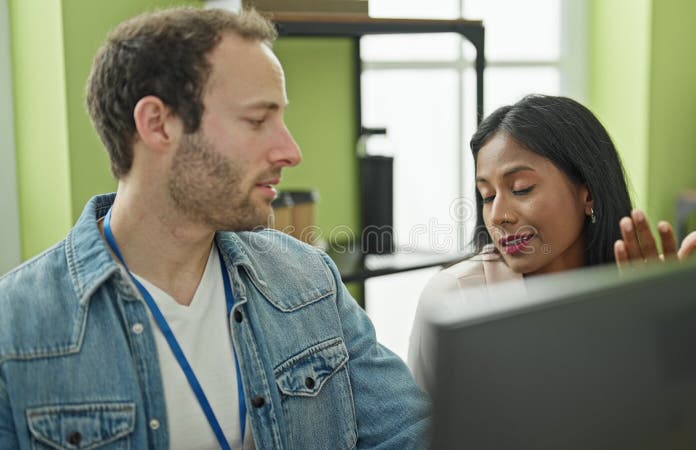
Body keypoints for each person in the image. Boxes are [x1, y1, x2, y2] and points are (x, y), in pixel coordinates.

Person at [0, 8, 429, 449]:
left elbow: (416, 435)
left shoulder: (310, 283)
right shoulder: (14, 328)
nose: (290, 150)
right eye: (257, 120)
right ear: (157, 124)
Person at [408, 94, 696, 392]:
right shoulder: (451, 298)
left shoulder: (631, 287)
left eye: (521, 189)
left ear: (587, 193)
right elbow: (415, 434)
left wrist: (665, 327)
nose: (498, 215)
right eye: (487, 196)